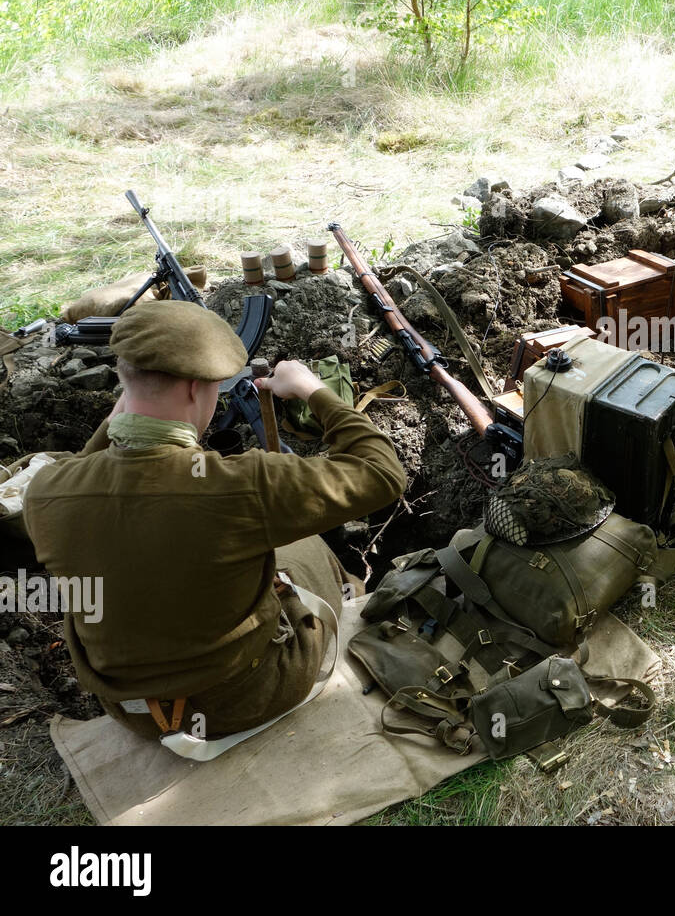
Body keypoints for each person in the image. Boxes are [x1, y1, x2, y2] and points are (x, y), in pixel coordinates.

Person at [24, 300, 406, 750]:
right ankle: (352, 593)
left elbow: (94, 473)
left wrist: (123, 419)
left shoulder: (46, 492)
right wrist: (312, 390)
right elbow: (382, 474)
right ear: (193, 389)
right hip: (244, 700)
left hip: (134, 713)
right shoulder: (244, 485)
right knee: (303, 542)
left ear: (124, 387)